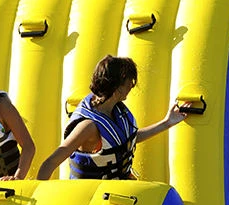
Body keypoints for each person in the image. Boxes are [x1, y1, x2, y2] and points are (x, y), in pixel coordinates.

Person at [36, 55, 189, 180]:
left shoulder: (115, 110)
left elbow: (126, 140)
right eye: (129, 82)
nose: (132, 85)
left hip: (115, 192)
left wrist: (167, 122)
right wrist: (40, 196)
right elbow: (50, 163)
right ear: (117, 89)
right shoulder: (88, 126)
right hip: (92, 197)